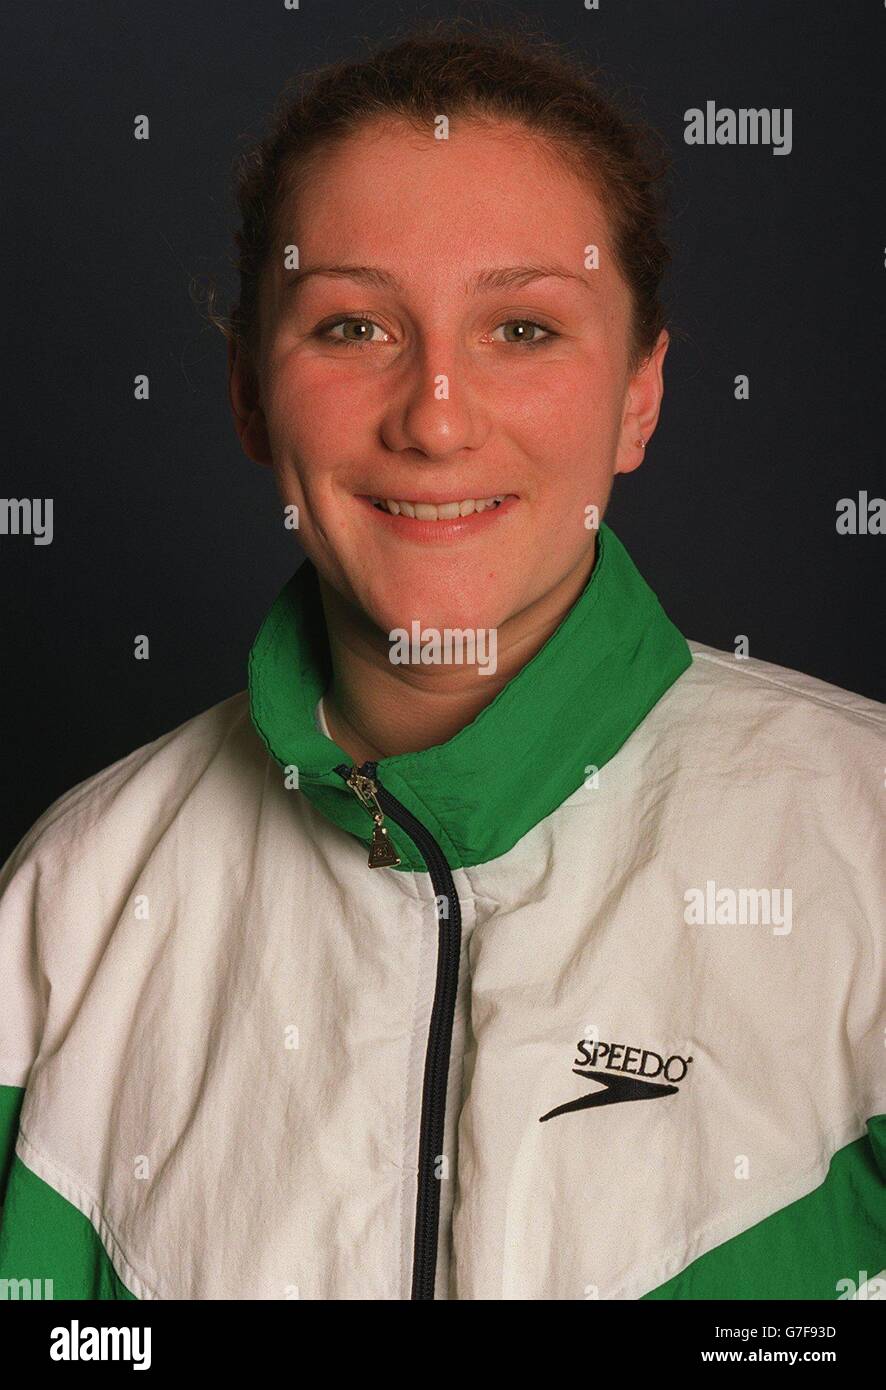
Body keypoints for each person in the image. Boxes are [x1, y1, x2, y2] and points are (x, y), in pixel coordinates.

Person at [0, 21, 883, 1302]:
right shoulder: (69, 909)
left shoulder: (863, 841)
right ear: (250, 392)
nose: (436, 416)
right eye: (354, 326)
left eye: (522, 329)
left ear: (639, 396)